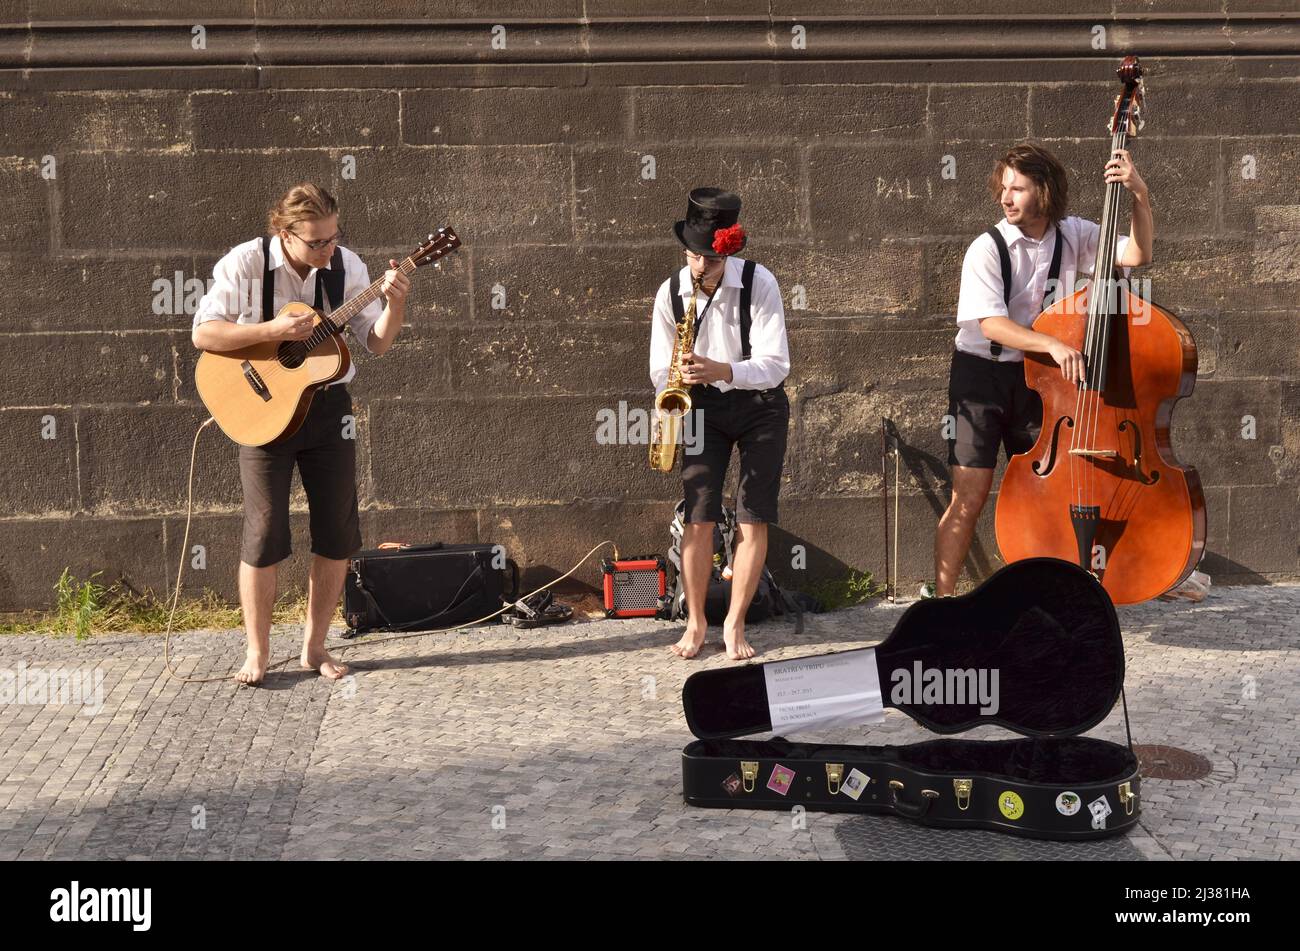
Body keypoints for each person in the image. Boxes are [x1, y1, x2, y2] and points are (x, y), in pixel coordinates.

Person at [191, 183, 411, 684]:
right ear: (284, 234)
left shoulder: (347, 266)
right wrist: (270, 332)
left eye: (333, 237)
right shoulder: (245, 263)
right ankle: (257, 653)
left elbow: (376, 344)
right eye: (316, 243)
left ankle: (315, 648)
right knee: (264, 531)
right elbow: (204, 333)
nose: (328, 250)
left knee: (337, 532)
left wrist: (396, 305)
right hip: (261, 411)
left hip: (327, 409)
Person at [932, 143, 1152, 597]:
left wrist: (1139, 194)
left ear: (1045, 192)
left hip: (1042, 381)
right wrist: (1052, 342)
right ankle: (942, 599)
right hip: (982, 376)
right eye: (1004, 188)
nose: (1006, 198)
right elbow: (990, 323)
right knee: (969, 496)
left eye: (1018, 188)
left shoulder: (1075, 234)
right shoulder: (986, 248)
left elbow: (1136, 256)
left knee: (1047, 492)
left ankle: (1050, 595)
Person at [649, 187, 791, 660]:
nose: (699, 268)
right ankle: (694, 621)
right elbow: (658, 367)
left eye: (709, 259)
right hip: (701, 406)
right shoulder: (671, 292)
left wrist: (724, 370)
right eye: (692, 256)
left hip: (760, 403)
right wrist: (679, 382)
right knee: (698, 516)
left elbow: (777, 364)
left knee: (753, 515)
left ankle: (734, 624)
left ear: (727, 252)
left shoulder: (760, 282)